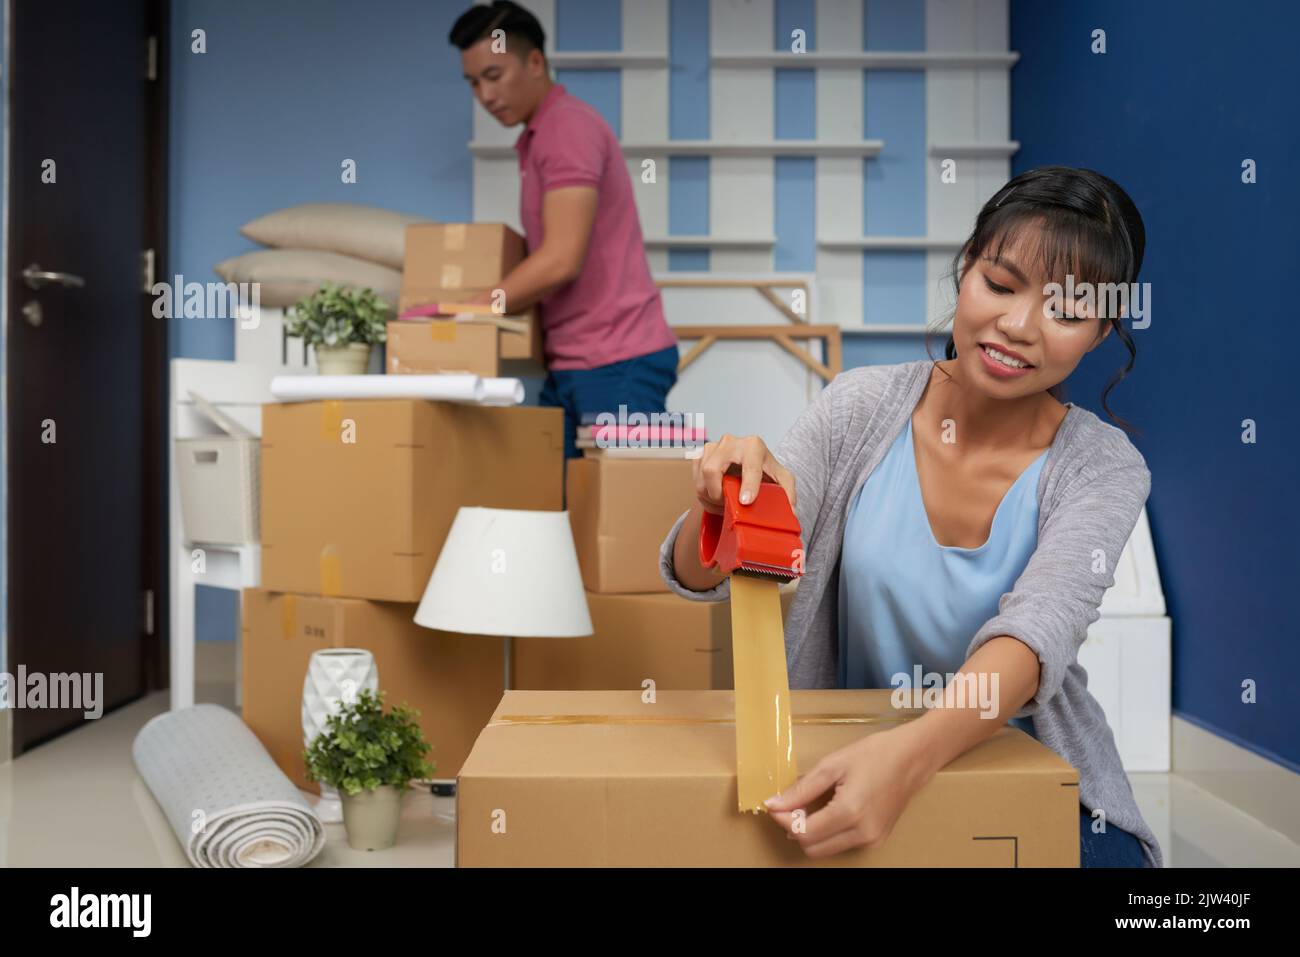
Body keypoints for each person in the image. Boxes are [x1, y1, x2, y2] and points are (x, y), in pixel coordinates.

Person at [659, 165, 1162, 868]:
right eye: (1000, 284)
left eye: (1066, 310)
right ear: (965, 270)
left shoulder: (1104, 466)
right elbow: (715, 573)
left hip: (1020, 761)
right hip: (844, 751)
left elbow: (1034, 636)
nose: (1017, 326)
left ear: (1102, 332)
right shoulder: (858, 409)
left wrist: (908, 761)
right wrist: (717, 505)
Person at [448, 1, 680, 459]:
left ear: (535, 62)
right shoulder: (539, 136)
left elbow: (560, 259)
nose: (485, 95)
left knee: (622, 519)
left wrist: (474, 308)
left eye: (494, 75)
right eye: (474, 82)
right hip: (578, 361)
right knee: (567, 512)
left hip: (617, 360)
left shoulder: (566, 128)